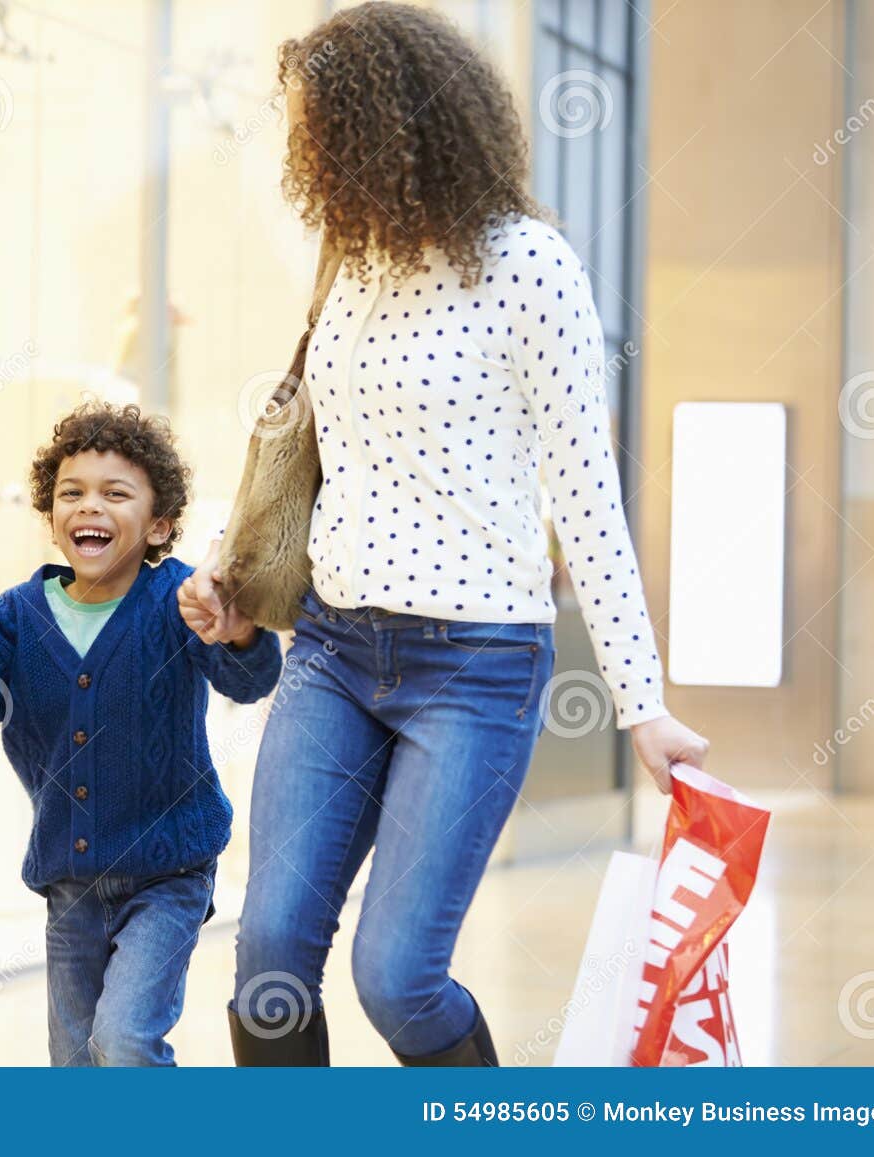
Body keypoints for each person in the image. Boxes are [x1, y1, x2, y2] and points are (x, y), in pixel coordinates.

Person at [182, 2, 711, 1066]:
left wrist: (641, 704)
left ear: (388, 125)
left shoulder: (529, 267)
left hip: (472, 665)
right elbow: (324, 458)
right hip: (332, 649)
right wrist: (243, 575)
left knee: (398, 975)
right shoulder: (349, 263)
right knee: (272, 953)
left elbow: (587, 498)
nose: (303, 153)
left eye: (316, 128)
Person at [0, 402, 282, 1066]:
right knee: (73, 1061)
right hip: (71, 882)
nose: (89, 505)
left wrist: (239, 630)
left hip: (170, 874)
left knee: (123, 1040)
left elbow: (248, 679)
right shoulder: (16, 617)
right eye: (72, 493)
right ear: (52, 515)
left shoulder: (178, 599)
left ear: (159, 525)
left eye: (115, 493)